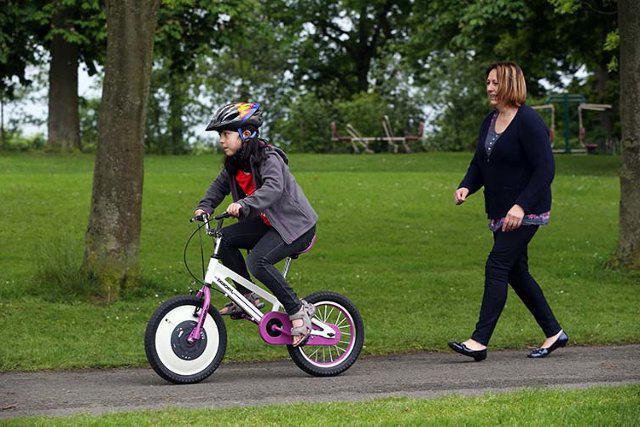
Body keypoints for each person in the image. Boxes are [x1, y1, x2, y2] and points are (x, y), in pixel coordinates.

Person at [448, 62, 568, 361]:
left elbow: (545, 169)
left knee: (497, 265)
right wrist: (466, 186)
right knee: (516, 272)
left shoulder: (528, 121)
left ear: (510, 84)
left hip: (525, 211)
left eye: (494, 82)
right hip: (500, 210)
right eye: (487, 82)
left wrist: (521, 206)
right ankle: (555, 332)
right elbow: (480, 163)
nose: (489, 87)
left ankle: (479, 341)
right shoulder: (490, 120)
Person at [194, 102, 318, 347]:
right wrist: (204, 207)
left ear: (246, 133)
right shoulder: (234, 164)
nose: (221, 140)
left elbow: (273, 188)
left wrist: (244, 205)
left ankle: (298, 311)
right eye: (220, 135)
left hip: (295, 226)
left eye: (226, 134)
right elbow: (218, 187)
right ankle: (245, 296)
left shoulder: (269, 158)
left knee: (258, 261)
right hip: (268, 223)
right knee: (224, 238)